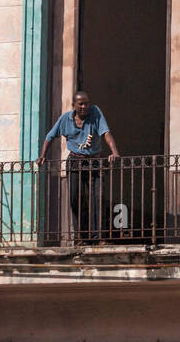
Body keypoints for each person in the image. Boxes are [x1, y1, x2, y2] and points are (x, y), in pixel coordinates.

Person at [37, 92, 120, 244]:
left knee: (98, 198)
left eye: (86, 103)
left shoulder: (95, 112)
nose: (84, 107)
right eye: (80, 104)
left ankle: (97, 237)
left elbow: (106, 133)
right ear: (74, 105)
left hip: (94, 160)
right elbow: (49, 137)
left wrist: (114, 152)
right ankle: (80, 237)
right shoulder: (65, 119)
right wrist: (42, 156)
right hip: (74, 161)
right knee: (75, 199)